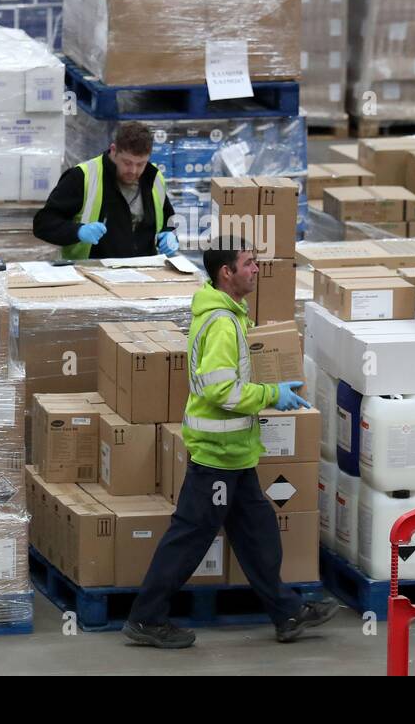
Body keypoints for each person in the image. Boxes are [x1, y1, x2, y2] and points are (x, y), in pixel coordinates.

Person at [122, 245, 338, 648]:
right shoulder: (222, 323)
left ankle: (286, 612)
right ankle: (146, 618)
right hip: (217, 457)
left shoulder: (229, 315)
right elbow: (221, 389)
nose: (256, 270)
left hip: (235, 454)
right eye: (248, 264)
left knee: (259, 534)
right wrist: (270, 394)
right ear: (226, 273)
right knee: (190, 537)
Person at [33, 120, 178, 260]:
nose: (133, 170)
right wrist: (78, 231)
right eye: (127, 162)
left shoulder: (154, 179)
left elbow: (167, 222)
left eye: (140, 164)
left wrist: (169, 236)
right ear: (114, 150)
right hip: (91, 273)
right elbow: (43, 224)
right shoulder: (83, 177)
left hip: (145, 273)